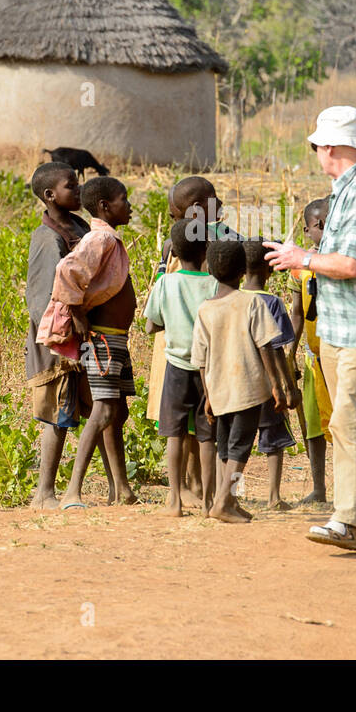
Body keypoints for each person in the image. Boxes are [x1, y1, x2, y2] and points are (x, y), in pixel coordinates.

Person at [266, 106, 356, 550]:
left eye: (317, 146)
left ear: (329, 147)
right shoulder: (348, 189)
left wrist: (300, 258)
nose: (316, 154)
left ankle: (347, 519)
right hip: (339, 326)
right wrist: (301, 257)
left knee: (347, 422)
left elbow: (350, 263)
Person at [289, 197, 356, 507]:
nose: (323, 229)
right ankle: (354, 496)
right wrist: (291, 351)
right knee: (333, 426)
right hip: (320, 359)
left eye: (328, 222)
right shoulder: (305, 267)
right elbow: (298, 311)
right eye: (317, 225)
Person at [39, 176, 139, 508]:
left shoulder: (107, 238)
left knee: (117, 411)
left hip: (116, 341)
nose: (130, 206)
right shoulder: (100, 239)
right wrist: (76, 312)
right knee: (103, 410)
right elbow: (67, 271)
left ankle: (120, 490)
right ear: (105, 207)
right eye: (124, 199)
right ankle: (72, 491)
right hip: (103, 342)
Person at [191, 239, 292, 524]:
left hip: (220, 390)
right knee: (239, 448)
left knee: (225, 447)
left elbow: (200, 359)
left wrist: (208, 396)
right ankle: (224, 501)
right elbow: (266, 346)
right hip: (247, 388)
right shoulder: (252, 302)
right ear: (242, 272)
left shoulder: (205, 309)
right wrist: (276, 385)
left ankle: (230, 500)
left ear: (210, 270)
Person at [25, 161, 95, 509]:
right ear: (50, 195)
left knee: (96, 407)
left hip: (85, 338)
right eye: (72, 185)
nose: (79, 189)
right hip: (59, 345)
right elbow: (40, 301)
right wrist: (63, 337)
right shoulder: (47, 238)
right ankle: (45, 493)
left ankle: (111, 488)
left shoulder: (78, 227)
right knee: (58, 413)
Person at [143, 219, 217, 516]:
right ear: (206, 250)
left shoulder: (166, 283)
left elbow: (150, 326)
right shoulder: (214, 284)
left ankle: (174, 500)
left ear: (173, 252)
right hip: (207, 369)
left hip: (175, 367)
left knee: (174, 434)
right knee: (207, 436)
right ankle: (209, 502)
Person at [240, 239, 300, 510]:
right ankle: (274, 496)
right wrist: (289, 387)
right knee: (274, 440)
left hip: (238, 383)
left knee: (235, 441)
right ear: (270, 270)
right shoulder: (273, 303)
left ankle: (227, 493)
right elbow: (279, 350)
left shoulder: (231, 299)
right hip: (268, 385)